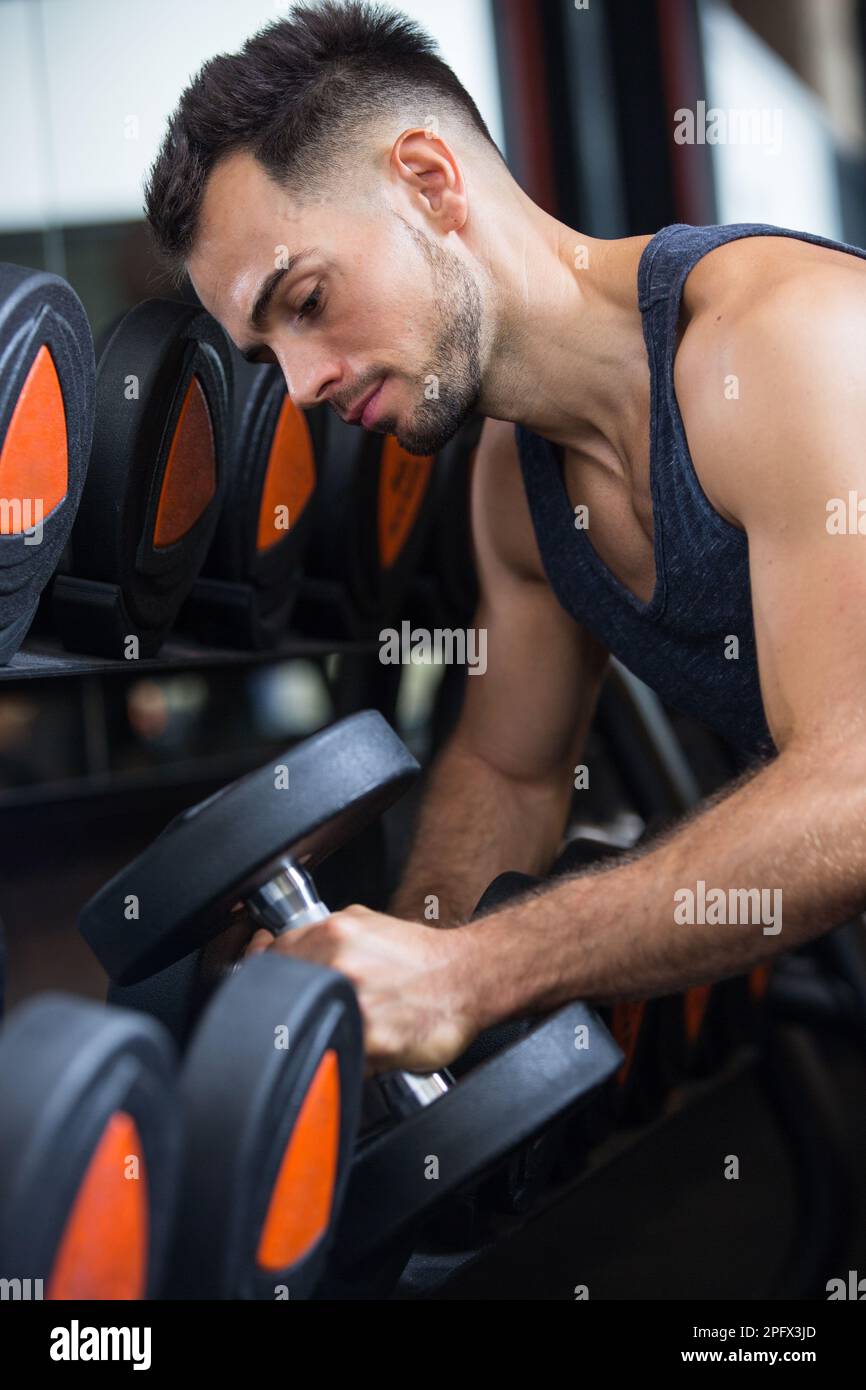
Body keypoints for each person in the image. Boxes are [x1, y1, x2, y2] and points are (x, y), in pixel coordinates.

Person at [145, 2, 866, 1074]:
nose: (299, 387)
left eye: (305, 300)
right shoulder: (514, 487)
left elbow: (851, 786)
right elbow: (510, 772)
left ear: (430, 183)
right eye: (265, 354)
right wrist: (376, 986)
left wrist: (473, 972)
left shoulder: (784, 346)